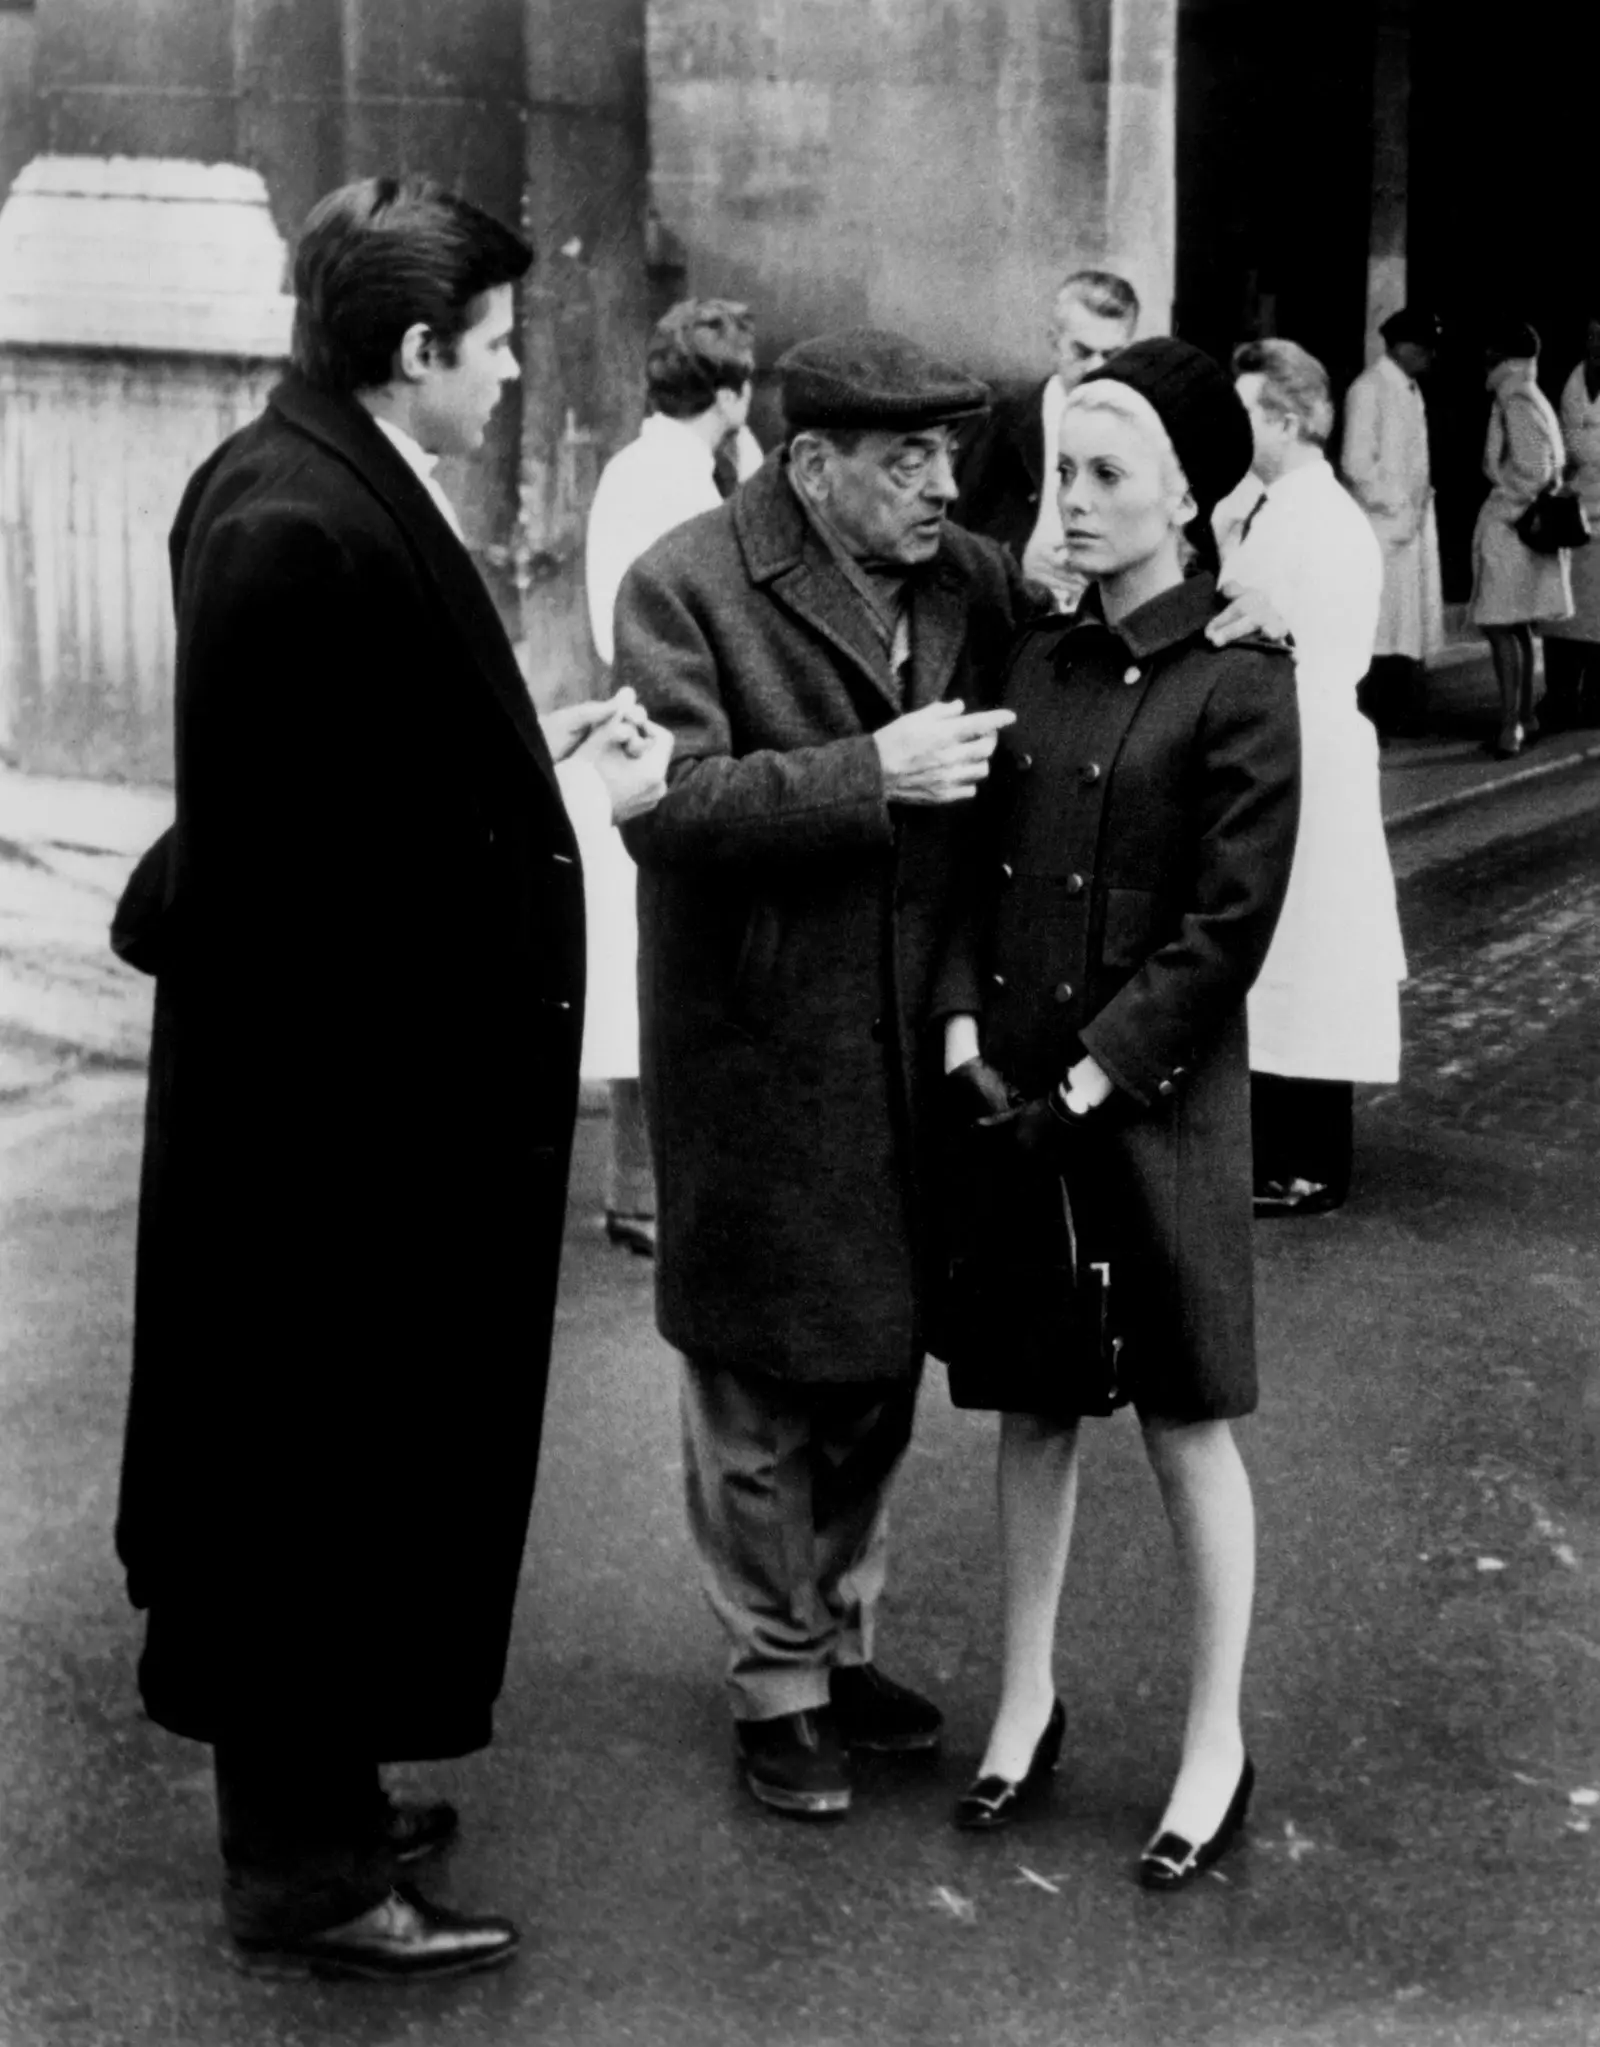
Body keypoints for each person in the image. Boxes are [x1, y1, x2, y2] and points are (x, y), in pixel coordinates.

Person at [112, 175, 669, 1982]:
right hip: (326, 1142)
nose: (511, 375)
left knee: (327, 1484)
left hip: (329, 1119)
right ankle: (306, 1870)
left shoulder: (312, 480)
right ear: (414, 348)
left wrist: (521, 748)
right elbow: (290, 891)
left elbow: (350, 780)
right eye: (495, 346)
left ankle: (329, 1797)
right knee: (307, 1482)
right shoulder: (300, 521)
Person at [613, 328, 1030, 1820]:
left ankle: (841, 1640)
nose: (942, 485)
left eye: (950, 455)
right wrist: (873, 772)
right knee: (751, 1381)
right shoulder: (686, 579)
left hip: (907, 1036)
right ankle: (775, 1676)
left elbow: (1096, 644)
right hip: (757, 1041)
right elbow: (661, 804)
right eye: (904, 460)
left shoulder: (968, 579)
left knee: (869, 1366)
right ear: (809, 465)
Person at [935, 338, 1300, 1889]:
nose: (1069, 502)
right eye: (1060, 473)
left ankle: (1213, 1733)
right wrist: (965, 1029)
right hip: (1015, 1089)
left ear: (1188, 493)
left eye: (1103, 474)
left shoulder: (1241, 675)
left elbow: (1224, 929)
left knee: (1184, 1420)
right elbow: (971, 864)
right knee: (1030, 1403)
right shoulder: (1037, 658)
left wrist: (1090, 1077)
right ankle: (1027, 1696)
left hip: (1145, 1108)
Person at [581, 298, 765, 1256]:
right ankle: (648, 1195)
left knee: (642, 980)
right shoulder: (679, 486)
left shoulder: (651, 466)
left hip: (641, 721)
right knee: (667, 974)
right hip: (664, 730)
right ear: (730, 394)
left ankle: (637, 1191)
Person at [1229, 339, 1404, 1216]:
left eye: (1246, 410)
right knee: (1291, 954)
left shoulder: (1313, 517)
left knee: (1306, 953)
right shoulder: (1288, 508)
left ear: (1284, 420)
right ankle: (1289, 1151)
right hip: (1300, 746)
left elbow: (1282, 642)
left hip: (1306, 747)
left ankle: (1306, 1164)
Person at [952, 270, 1139, 610]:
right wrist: (1017, 560)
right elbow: (956, 531)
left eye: (1111, 355)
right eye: (1082, 352)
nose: (1096, 368)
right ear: (1054, 342)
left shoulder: (1145, 430)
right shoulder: (999, 424)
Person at [1470, 320, 1573, 757]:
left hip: (1512, 531)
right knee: (1516, 626)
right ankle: (1524, 716)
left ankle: (1510, 725)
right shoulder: (1529, 394)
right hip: (1523, 532)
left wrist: (1507, 511)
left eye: (1491, 349)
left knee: (1498, 625)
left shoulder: (1513, 399)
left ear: (1503, 355)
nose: (1484, 357)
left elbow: (1536, 469)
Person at [1341, 307, 1445, 738]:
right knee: (1376, 629)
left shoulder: (1408, 387)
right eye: (1423, 346)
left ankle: (1394, 714)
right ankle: (1372, 719)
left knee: (1402, 628)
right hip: (1380, 528)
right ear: (1401, 346)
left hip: (1408, 529)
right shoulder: (1369, 389)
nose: (1430, 355)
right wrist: (1397, 504)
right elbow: (1356, 463)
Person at [1541, 312, 1600, 730]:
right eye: (1593, 335)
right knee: (1563, 614)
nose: (1597, 344)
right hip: (1574, 513)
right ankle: (1560, 694)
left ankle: (1595, 699)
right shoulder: (1574, 381)